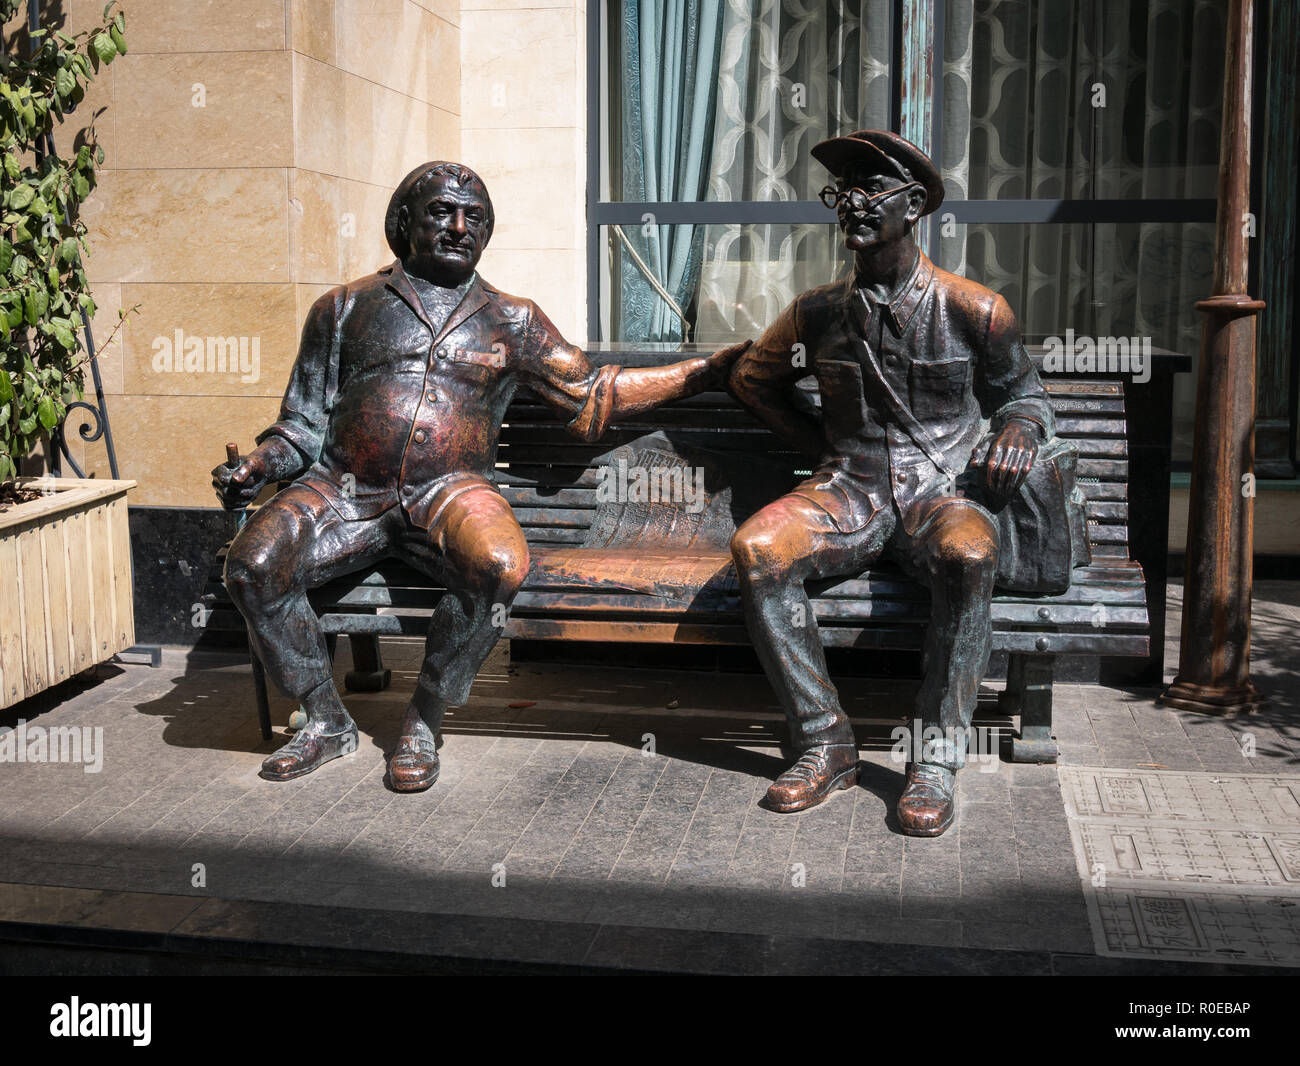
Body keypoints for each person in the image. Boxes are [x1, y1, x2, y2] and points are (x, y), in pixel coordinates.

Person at [213, 160, 746, 791]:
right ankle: (326, 720)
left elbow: (592, 397)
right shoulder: (344, 307)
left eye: (476, 218)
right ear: (403, 221)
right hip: (341, 490)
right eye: (442, 211)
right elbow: (300, 425)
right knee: (250, 565)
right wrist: (259, 464)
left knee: (498, 565)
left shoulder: (512, 320)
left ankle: (423, 718)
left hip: (451, 492)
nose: (461, 227)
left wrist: (700, 372)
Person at [726, 130, 1058, 836]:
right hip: (847, 488)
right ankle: (825, 742)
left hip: (943, 489)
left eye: (870, 191)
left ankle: (934, 757)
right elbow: (756, 381)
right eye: (842, 192)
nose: (852, 204)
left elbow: (1026, 395)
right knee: (758, 550)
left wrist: (1018, 433)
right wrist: (823, 445)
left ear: (913, 207)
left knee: (971, 558)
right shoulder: (816, 312)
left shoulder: (975, 309)